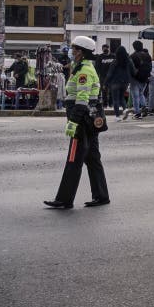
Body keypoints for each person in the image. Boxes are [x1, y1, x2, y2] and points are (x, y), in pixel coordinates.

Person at [43, 36, 110, 209]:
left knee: (74, 158)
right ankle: (101, 196)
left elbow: (82, 99)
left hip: (82, 119)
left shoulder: (84, 71)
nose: (72, 52)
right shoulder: (81, 67)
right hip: (89, 118)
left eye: (74, 49)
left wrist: (73, 121)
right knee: (93, 157)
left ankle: (65, 199)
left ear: (81, 52)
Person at [106, 46, 134, 121]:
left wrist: (106, 82)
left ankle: (117, 116)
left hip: (115, 82)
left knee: (115, 100)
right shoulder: (129, 61)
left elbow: (110, 74)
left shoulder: (115, 62)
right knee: (122, 97)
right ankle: (125, 109)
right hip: (125, 82)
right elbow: (133, 71)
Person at [127, 41, 152, 120]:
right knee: (141, 94)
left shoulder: (132, 56)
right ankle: (144, 107)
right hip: (144, 78)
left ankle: (137, 113)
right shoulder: (148, 56)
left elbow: (130, 68)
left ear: (134, 47)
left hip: (135, 79)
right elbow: (150, 67)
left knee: (135, 96)